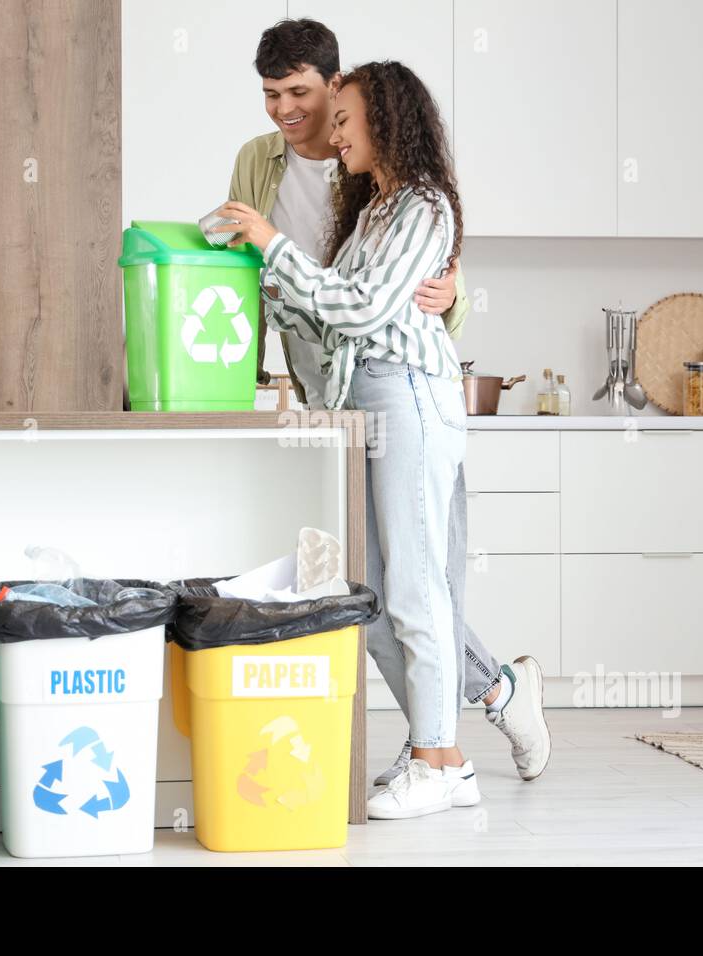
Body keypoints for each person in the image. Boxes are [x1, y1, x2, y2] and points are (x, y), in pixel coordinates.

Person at [227, 20, 550, 792]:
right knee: (371, 596)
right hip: (327, 390)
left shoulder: (398, 194)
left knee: (413, 587)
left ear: (340, 91)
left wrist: (448, 288)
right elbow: (256, 281)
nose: (287, 112)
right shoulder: (286, 172)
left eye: (304, 96)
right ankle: (466, 723)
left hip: (397, 379)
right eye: (272, 96)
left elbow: (398, 289)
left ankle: (444, 751)